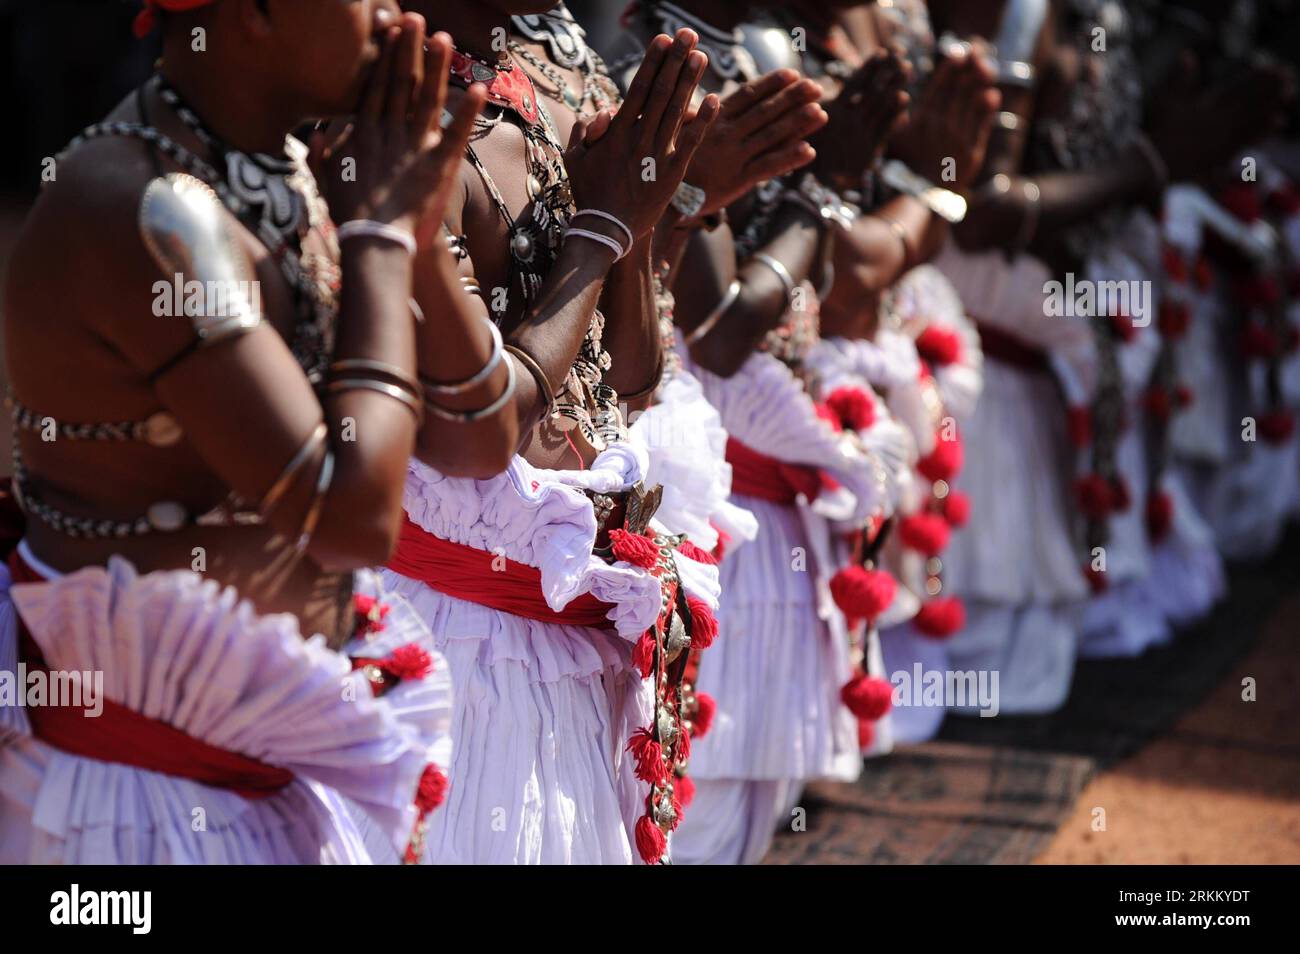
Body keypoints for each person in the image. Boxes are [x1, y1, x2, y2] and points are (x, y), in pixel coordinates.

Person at [0, 1, 486, 863]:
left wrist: (417, 225)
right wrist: (378, 234)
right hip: (133, 812)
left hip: (263, 787)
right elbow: (352, 519)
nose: (396, 11)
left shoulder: (291, 166)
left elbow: (473, 442)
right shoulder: (144, 206)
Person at [385, 0, 720, 864]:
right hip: (457, 636)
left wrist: (633, 220)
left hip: (568, 635)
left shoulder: (555, 108)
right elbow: (481, 427)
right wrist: (601, 231)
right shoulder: (399, 140)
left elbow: (636, 382)